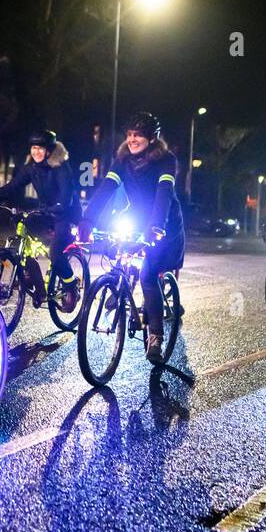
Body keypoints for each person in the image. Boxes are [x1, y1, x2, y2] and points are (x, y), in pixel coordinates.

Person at [77, 112, 184, 364]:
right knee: (118, 251)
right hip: (135, 216)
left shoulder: (166, 160)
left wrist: (156, 227)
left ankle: (155, 336)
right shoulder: (123, 159)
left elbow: (164, 194)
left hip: (164, 221)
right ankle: (120, 287)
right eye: (129, 135)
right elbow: (106, 188)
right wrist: (88, 218)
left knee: (148, 274)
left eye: (138, 135)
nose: (132, 139)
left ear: (151, 138)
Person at [0, 129, 82, 312]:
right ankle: (35, 281)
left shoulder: (61, 167)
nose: (36, 152)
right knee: (24, 231)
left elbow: (66, 197)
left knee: (55, 253)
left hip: (66, 214)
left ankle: (70, 286)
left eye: (41, 148)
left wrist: (54, 208)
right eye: (34, 148)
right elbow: (13, 186)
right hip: (46, 211)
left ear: (49, 150)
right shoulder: (32, 168)